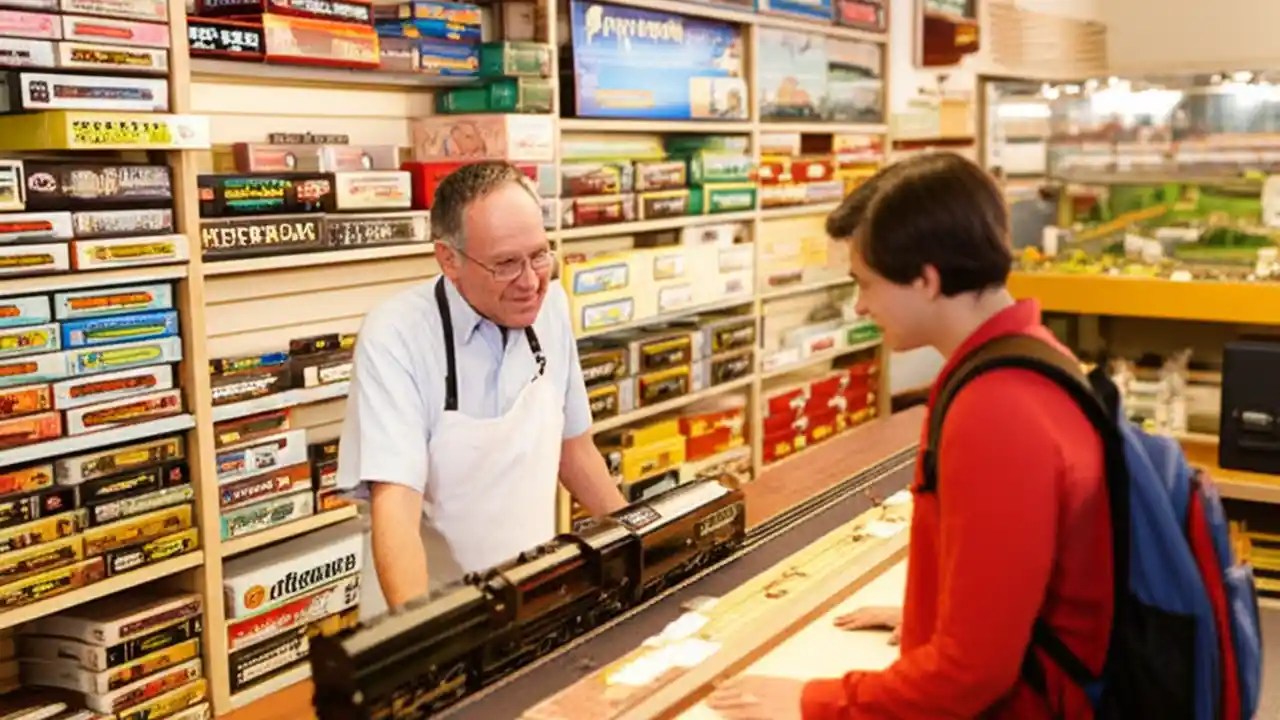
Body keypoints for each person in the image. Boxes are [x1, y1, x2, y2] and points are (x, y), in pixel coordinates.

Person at [707, 153, 1113, 719]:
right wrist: (935, 612)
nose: (861, 305)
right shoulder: (1032, 357)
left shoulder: (997, 410)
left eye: (865, 282)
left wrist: (810, 702)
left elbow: (971, 674)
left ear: (926, 279)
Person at [336, 162, 628, 617]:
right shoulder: (396, 336)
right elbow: (395, 509)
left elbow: (575, 450)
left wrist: (641, 544)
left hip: (533, 594)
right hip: (436, 610)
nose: (531, 282)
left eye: (539, 255)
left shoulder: (550, 305)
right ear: (448, 259)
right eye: (507, 264)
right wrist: (421, 639)